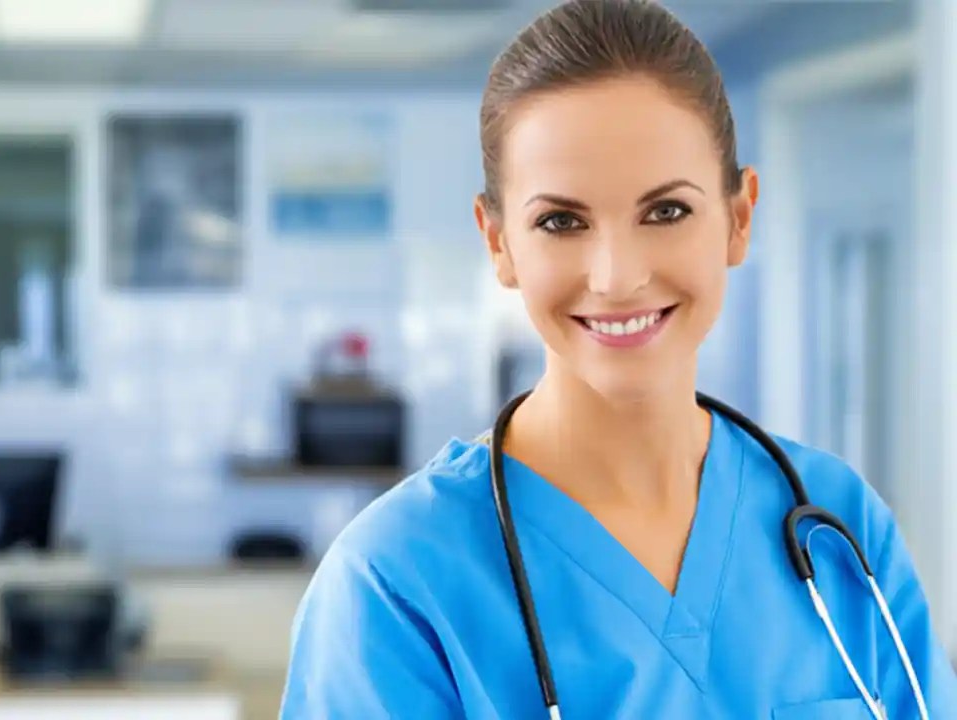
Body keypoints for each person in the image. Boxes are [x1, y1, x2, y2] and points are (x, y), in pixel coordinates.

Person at [279, 1, 957, 718]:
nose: (615, 276)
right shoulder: (395, 582)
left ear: (739, 218)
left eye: (665, 211)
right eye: (560, 222)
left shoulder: (839, 525)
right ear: (499, 242)